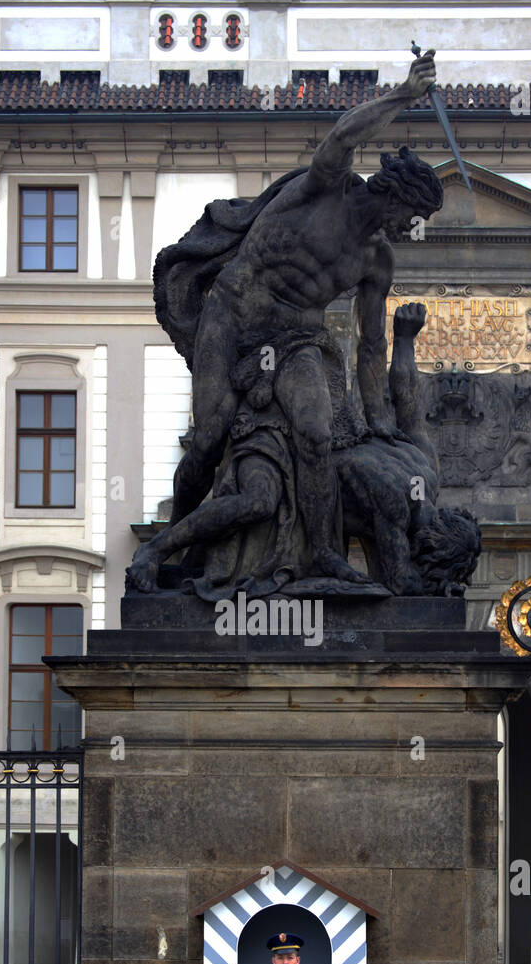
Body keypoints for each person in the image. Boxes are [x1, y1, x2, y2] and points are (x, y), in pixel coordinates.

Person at [135, 48, 443, 593]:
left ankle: (323, 552)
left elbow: (371, 344)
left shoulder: (376, 259)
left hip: (299, 337)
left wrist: (381, 422)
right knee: (207, 441)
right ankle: (177, 547)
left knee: (318, 432)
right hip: (233, 317)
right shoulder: (327, 187)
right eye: (410, 218)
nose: (408, 229)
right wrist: (404, 95)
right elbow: (345, 136)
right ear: (395, 196)